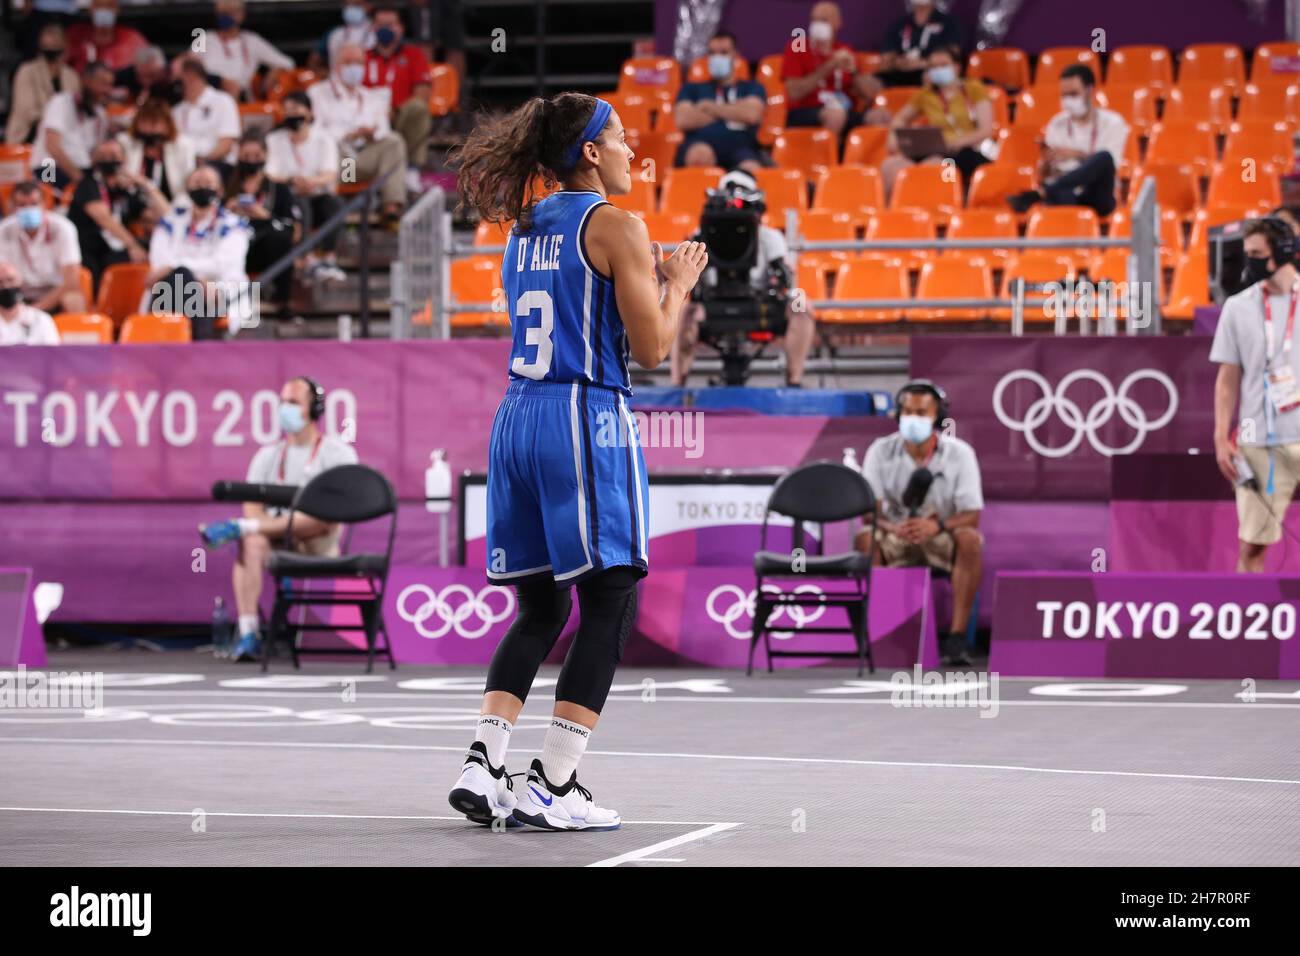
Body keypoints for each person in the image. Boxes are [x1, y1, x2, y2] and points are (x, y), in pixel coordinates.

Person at [450, 93, 708, 829]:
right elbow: (653, 350)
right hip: (582, 415)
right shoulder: (619, 225)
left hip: (516, 416)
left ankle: (484, 760)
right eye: (623, 139)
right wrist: (677, 282)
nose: (633, 151)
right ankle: (553, 785)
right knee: (612, 597)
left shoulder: (521, 229)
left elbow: (570, 301)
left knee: (539, 605)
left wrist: (638, 271)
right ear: (592, 151)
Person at [198, 376, 359, 662]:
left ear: (315, 410)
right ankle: (249, 633)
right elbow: (253, 509)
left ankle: (237, 529)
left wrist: (261, 524)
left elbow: (333, 515)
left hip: (319, 544)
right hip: (277, 544)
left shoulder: (338, 454)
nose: (286, 408)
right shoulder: (267, 456)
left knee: (320, 517)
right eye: (283, 402)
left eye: (294, 403)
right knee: (252, 540)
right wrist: (261, 526)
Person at [857, 380, 984, 666]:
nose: (913, 419)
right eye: (908, 412)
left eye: (921, 413)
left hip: (939, 533)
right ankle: (881, 633)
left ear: (937, 417)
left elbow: (972, 514)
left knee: (970, 539)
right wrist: (892, 527)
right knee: (866, 538)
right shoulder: (880, 450)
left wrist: (937, 526)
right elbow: (869, 511)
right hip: (897, 532)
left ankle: (957, 638)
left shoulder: (960, 454)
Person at [1211, 217, 1300, 573]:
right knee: (1252, 546)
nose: (1250, 262)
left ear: (1281, 254)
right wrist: (1220, 436)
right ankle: (1249, 622)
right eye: (1247, 254)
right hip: (1258, 441)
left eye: (1257, 254)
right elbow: (1227, 378)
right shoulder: (1238, 307)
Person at [671, 170, 815, 386]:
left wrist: (780, 280)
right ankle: (677, 385)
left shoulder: (770, 237)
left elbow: (784, 278)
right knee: (684, 311)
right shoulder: (702, 234)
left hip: (759, 306)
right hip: (713, 307)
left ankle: (794, 382)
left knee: (801, 305)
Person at [146, 164, 252, 338]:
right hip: (171, 287)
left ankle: (182, 344)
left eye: (208, 183)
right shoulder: (170, 222)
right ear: (187, 188)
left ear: (220, 190)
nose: (202, 187)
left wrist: (178, 266)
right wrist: (190, 276)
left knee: (184, 279)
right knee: (182, 279)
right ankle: (198, 344)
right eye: (196, 182)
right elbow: (159, 261)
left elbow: (222, 264)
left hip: (216, 290)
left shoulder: (233, 224)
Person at [1007, 64, 1128, 217]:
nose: (1068, 100)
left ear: (1089, 90)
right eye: (1064, 95)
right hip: (1064, 191)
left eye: (1073, 93)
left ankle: (1039, 194)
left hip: (1096, 193)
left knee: (1104, 157)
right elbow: (1047, 173)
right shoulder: (1056, 124)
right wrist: (1046, 166)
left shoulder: (1113, 122)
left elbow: (1111, 165)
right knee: (1059, 189)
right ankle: (1046, 192)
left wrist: (1076, 155)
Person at [308, 42, 408, 218]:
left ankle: (391, 205)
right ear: (336, 65)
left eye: (359, 63)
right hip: (339, 161)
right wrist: (347, 135)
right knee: (325, 148)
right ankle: (330, 208)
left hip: (363, 160)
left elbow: (383, 128)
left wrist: (371, 134)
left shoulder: (371, 96)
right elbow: (313, 131)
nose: (354, 67)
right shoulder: (317, 93)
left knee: (394, 141)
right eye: (348, 62)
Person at [881, 45, 993, 197]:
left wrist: (954, 143)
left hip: (965, 151)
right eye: (933, 66)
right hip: (934, 149)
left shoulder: (974, 89)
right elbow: (900, 118)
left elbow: (986, 130)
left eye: (943, 65)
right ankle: (890, 214)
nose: (938, 69)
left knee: (934, 165)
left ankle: (941, 207)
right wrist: (893, 137)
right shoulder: (925, 94)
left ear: (957, 67)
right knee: (889, 166)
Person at [265, 92, 345, 282]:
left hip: (317, 194)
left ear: (309, 113)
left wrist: (311, 182)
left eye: (296, 110)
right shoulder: (273, 140)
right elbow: (269, 173)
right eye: (288, 111)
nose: (292, 114)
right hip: (290, 197)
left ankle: (329, 258)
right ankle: (307, 259)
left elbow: (331, 172)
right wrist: (292, 181)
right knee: (300, 206)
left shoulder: (325, 138)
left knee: (336, 205)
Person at [68, 137, 169, 282]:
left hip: (115, 250)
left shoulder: (126, 191)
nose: (109, 160)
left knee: (157, 252)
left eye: (113, 156)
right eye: (103, 156)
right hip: (88, 250)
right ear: (94, 161)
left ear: (124, 159)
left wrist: (145, 184)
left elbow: (166, 215)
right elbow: (105, 220)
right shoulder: (88, 184)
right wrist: (133, 245)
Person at [782, 1, 882, 136]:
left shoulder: (846, 51)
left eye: (823, 20)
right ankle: (827, 157)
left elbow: (870, 94)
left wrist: (854, 72)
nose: (817, 24)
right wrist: (830, 66)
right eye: (814, 19)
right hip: (807, 111)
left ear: (838, 23)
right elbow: (794, 93)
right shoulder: (797, 47)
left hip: (845, 109)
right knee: (835, 116)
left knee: (880, 116)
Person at [673, 31, 766, 173]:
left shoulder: (752, 87)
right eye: (712, 53)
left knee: (752, 169)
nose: (717, 57)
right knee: (700, 155)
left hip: (741, 146)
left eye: (723, 52)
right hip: (700, 143)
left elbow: (752, 115)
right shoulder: (692, 88)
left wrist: (708, 107)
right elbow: (683, 119)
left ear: (735, 55)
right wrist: (735, 110)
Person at [224, 132, 297, 308]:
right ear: (238, 156)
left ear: (265, 155)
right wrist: (227, 209)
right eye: (246, 156)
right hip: (231, 247)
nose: (251, 160)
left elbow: (290, 228)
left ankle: (282, 301)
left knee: (280, 239)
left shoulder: (278, 189)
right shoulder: (226, 184)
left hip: (262, 249)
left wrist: (264, 215)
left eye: (256, 155)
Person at [364, 5, 433, 177]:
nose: (385, 29)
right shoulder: (363, 57)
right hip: (368, 120)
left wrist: (395, 112)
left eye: (391, 24)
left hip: (400, 118)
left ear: (401, 28)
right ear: (373, 28)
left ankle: (412, 171)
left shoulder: (414, 54)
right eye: (381, 24)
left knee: (418, 108)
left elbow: (422, 93)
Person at [0, 181, 85, 315]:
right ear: (12, 207)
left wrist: (36, 309)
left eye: (34, 204)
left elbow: (71, 281)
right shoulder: (4, 230)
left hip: (54, 292)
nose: (28, 209)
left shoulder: (63, 228)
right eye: (22, 205)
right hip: (17, 293)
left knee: (73, 298)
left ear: (44, 205)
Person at [30, 60, 113, 188]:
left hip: (82, 168)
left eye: (109, 85)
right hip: (48, 166)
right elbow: (52, 146)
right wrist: (78, 178)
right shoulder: (61, 102)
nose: (106, 90)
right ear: (86, 80)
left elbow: (94, 154)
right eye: (102, 83)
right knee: (52, 181)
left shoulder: (100, 114)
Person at [200, 0, 294, 101]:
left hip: (242, 96)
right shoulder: (205, 37)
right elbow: (187, 66)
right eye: (222, 13)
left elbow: (288, 63)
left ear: (241, 15)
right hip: (210, 92)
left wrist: (275, 70)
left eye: (230, 13)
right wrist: (219, 81)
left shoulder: (252, 41)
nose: (225, 17)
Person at [5, 24, 80, 146]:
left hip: (65, 135)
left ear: (64, 45)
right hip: (29, 134)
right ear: (40, 45)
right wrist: (56, 120)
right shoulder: (27, 71)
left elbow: (76, 106)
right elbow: (27, 110)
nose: (51, 48)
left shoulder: (71, 75)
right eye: (47, 44)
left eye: (55, 43)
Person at [117, 98, 197, 205]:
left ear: (167, 124)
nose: (149, 128)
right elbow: (121, 175)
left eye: (154, 123)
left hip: (171, 204)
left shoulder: (183, 146)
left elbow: (189, 182)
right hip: (133, 204)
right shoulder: (124, 142)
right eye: (144, 122)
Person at [172, 55, 242, 177]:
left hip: (218, 165)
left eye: (177, 77)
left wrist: (203, 161)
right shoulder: (176, 110)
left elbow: (226, 144)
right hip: (184, 167)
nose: (172, 81)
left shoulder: (223, 101)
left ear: (190, 75)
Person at [878, 0, 964, 88]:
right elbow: (885, 62)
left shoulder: (949, 23)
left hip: (929, 73)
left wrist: (922, 63)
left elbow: (953, 57)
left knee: (936, 80)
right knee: (867, 81)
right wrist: (899, 63)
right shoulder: (898, 24)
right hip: (897, 75)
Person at [65, 0, 146, 73]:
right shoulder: (75, 35)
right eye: (99, 6)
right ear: (90, 9)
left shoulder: (133, 39)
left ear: (117, 10)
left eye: (109, 6)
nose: (104, 11)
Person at [0, 262, 62, 346]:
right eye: (0, 282)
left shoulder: (41, 320)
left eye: (10, 280)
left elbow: (52, 355)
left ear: (21, 283)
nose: (6, 286)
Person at [316, 0, 375, 69]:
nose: (351, 8)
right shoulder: (335, 33)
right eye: (347, 4)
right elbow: (315, 60)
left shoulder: (376, 33)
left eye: (357, 4)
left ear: (369, 5)